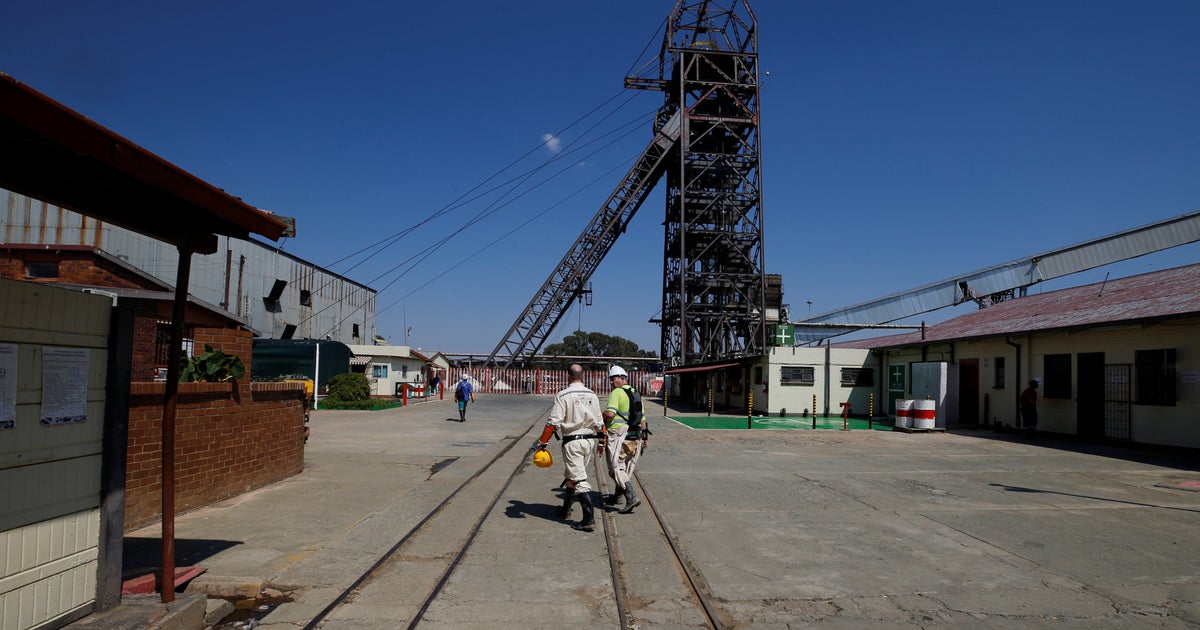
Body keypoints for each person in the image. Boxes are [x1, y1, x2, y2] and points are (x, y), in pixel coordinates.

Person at [531, 364, 605, 531]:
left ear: (568, 376)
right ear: (582, 376)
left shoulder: (563, 395)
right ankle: (566, 509)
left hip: (573, 442)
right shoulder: (592, 394)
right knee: (571, 474)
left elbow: (552, 423)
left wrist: (543, 443)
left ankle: (588, 519)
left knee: (579, 479)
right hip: (589, 441)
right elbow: (600, 423)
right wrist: (602, 442)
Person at [603, 365, 646, 514]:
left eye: (613, 379)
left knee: (616, 468)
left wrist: (601, 417)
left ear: (622, 378)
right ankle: (618, 496)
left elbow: (610, 414)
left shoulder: (617, 392)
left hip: (618, 435)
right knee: (624, 465)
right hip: (634, 436)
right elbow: (643, 419)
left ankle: (631, 497)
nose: (611, 382)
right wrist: (644, 437)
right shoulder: (636, 393)